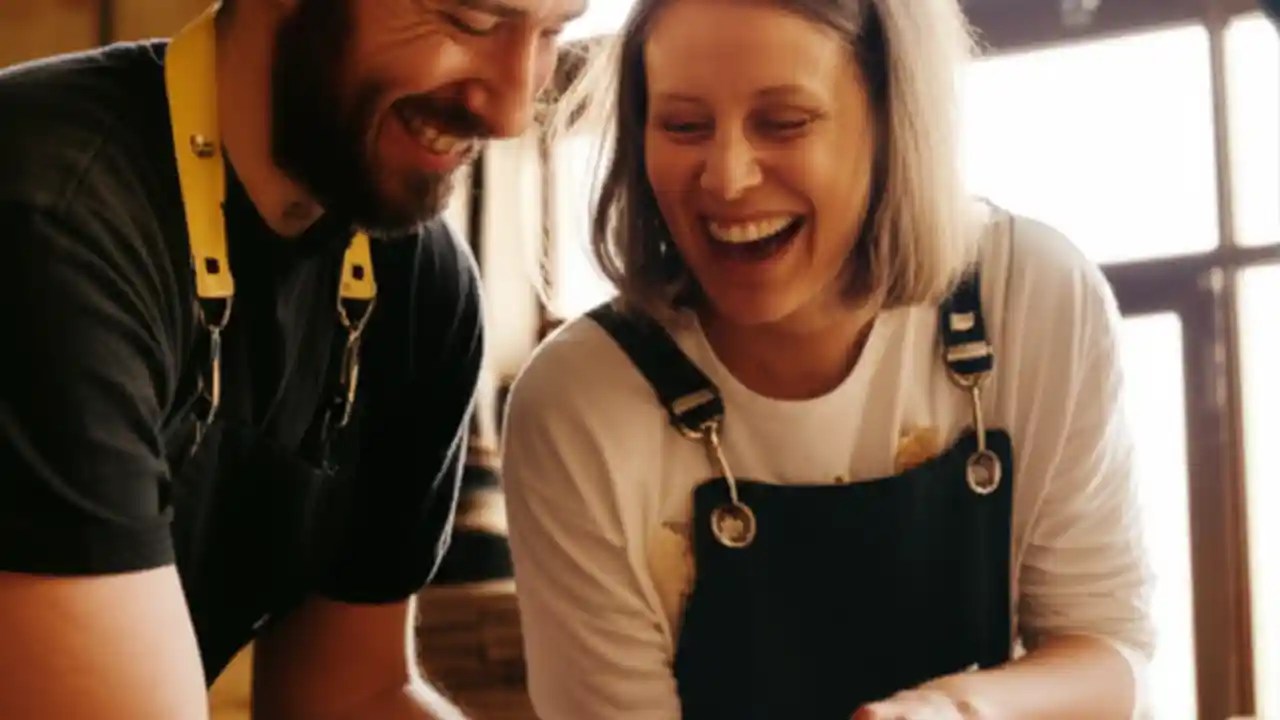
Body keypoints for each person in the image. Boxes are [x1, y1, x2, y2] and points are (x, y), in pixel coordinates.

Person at [501, 0, 1155, 718]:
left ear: (892, 119)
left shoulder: (1029, 294)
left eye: (783, 123)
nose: (726, 178)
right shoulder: (578, 405)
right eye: (684, 126)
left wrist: (955, 711)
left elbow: (1107, 659)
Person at [0, 0, 583, 717]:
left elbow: (349, 696)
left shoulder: (417, 281)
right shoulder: (47, 208)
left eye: (554, 32)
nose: (512, 111)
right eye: (470, 20)